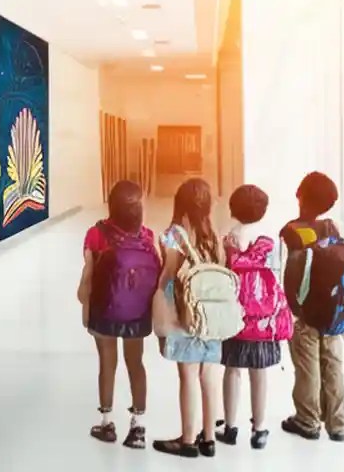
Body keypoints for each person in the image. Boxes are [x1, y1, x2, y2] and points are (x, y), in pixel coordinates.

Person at [77, 180, 161, 449]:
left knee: (107, 363)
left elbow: (87, 280)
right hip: (137, 312)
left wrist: (85, 305)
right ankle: (138, 429)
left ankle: (107, 423)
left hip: (104, 310)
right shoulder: (147, 236)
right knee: (135, 364)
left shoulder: (96, 234)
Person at [153, 178, 225, 458]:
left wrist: (159, 294)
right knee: (210, 375)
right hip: (213, 313)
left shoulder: (174, 235)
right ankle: (209, 439)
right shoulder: (214, 234)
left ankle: (187, 440)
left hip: (185, 313)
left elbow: (169, 271)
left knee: (188, 375)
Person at [279, 171, 344, 442]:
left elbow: (291, 275)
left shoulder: (292, 230)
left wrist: (292, 308)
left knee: (308, 366)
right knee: (333, 363)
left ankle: (307, 420)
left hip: (308, 312)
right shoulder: (331, 227)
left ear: (300, 195)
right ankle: (338, 422)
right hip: (333, 311)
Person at [217, 184, 289, 450]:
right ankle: (259, 430)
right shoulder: (268, 240)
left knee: (232, 371)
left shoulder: (230, 238)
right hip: (263, 318)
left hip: (236, 316)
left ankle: (230, 427)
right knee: (259, 373)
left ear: (233, 208)